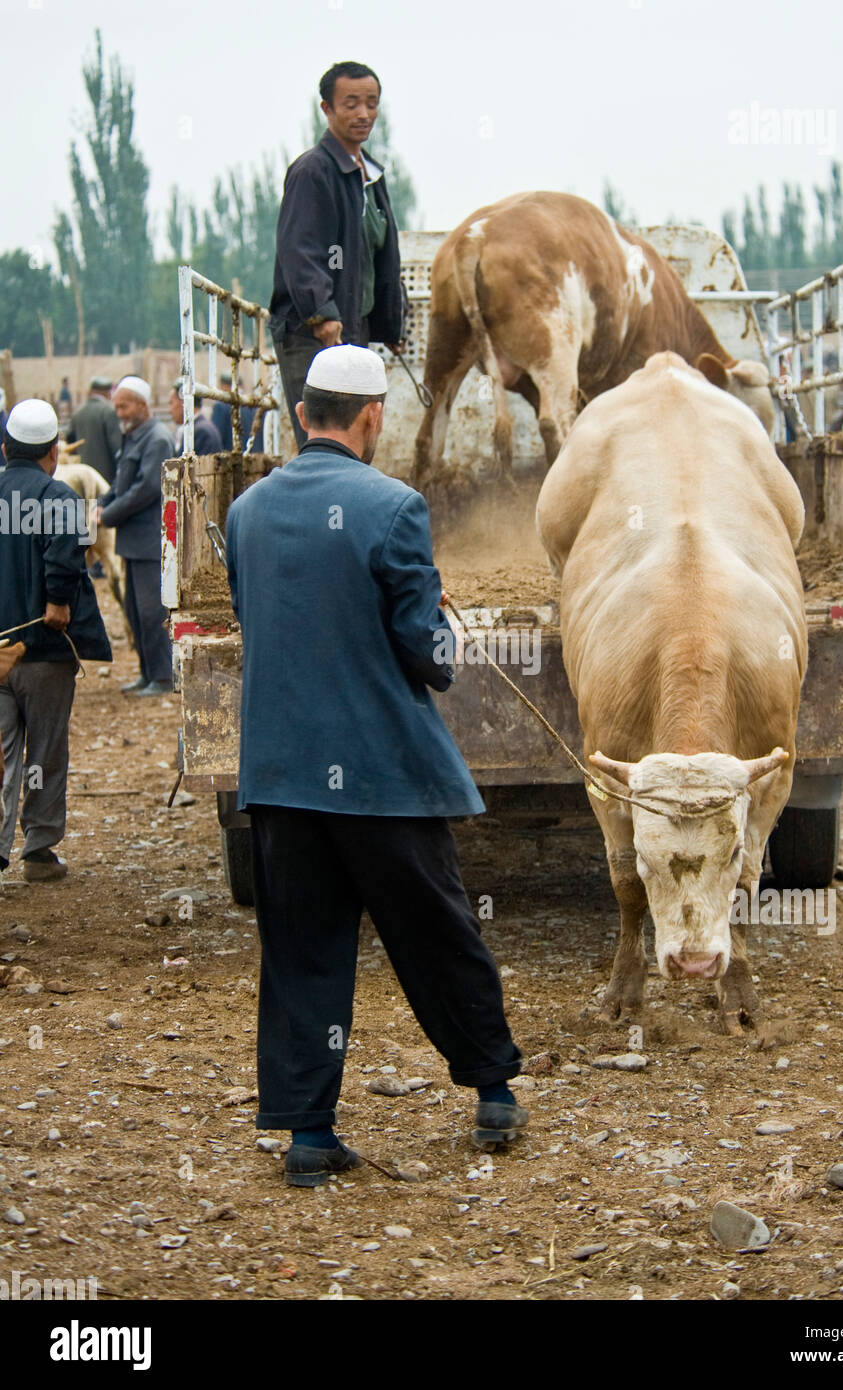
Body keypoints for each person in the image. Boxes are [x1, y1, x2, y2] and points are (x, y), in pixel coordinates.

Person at [225, 345, 525, 1184]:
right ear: (370, 418)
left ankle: (308, 1137)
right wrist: (442, 636)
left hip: (283, 777)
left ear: (299, 415)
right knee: (437, 934)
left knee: (302, 952)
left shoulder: (245, 512)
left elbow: (263, 620)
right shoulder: (393, 506)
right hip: (382, 774)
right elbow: (423, 651)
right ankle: (493, 1092)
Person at [0, 400, 111, 883]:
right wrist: (59, 601)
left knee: (3, 752)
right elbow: (65, 556)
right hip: (44, 652)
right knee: (44, 751)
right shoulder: (59, 497)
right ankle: (38, 851)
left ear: (5, 449)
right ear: (53, 453)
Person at [268, 60, 405, 448]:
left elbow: (377, 259)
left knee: (358, 441)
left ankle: (352, 508)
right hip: (312, 334)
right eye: (350, 104)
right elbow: (301, 251)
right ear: (326, 108)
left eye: (371, 103)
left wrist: (390, 324)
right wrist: (322, 315)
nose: (364, 113)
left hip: (352, 331)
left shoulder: (370, 177)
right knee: (324, 442)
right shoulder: (314, 171)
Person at [96, 377, 174, 695]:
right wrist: (101, 505)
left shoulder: (157, 439)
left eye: (124, 405)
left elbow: (146, 489)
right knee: (134, 611)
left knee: (151, 611)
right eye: (116, 406)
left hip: (148, 540)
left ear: (142, 405)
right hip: (132, 541)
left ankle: (163, 677)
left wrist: (108, 515)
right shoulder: (133, 436)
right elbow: (119, 484)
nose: (119, 412)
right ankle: (147, 673)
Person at [67, 375, 122, 484]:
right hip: (105, 476)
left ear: (90, 391)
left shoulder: (78, 413)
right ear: (108, 393)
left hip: (82, 475)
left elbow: (70, 441)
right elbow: (116, 446)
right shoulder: (109, 412)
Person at [211, 371, 263, 453]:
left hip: (233, 459)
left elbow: (216, 438)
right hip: (255, 458)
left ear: (224, 386)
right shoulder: (253, 407)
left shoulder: (221, 406)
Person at [169, 382, 222, 456]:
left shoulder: (201, 431)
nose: (170, 410)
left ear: (183, 402)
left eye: (171, 403)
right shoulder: (199, 427)